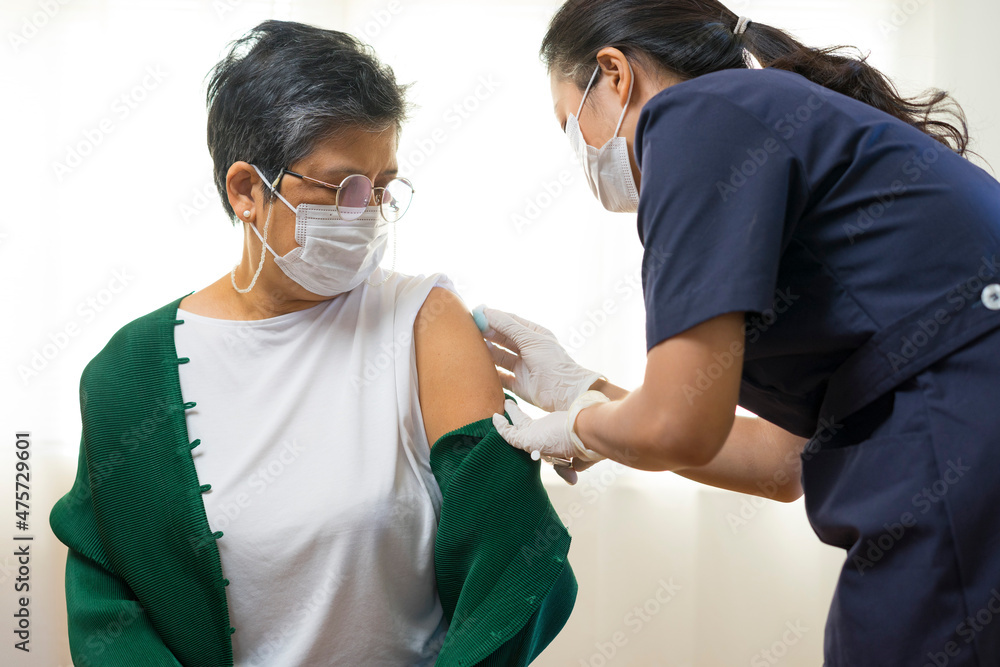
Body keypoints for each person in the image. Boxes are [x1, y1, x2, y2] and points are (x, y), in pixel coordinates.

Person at [481, 1, 1000, 665]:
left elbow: (677, 427)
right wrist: (589, 391)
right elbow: (781, 462)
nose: (580, 153)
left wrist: (582, 426)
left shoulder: (696, 116)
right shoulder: (764, 116)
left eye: (569, 124)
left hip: (959, 433)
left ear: (613, 74)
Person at [48, 20, 575, 666]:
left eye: (383, 187)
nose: (371, 214)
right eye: (345, 188)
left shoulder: (421, 320)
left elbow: (510, 558)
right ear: (247, 190)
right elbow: (109, 602)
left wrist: (603, 412)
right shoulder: (127, 373)